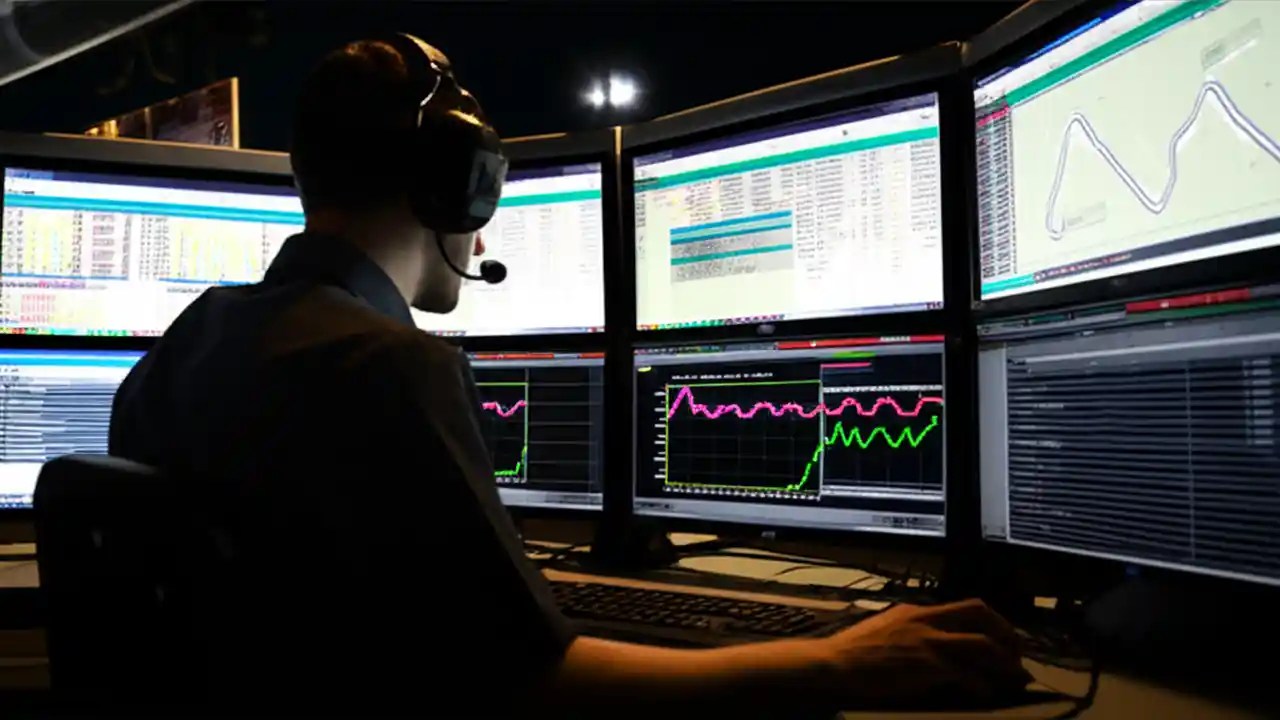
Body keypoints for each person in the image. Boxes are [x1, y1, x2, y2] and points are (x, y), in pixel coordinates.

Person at [109, 36, 1030, 716]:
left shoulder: (188, 346)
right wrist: (843, 659)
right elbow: (544, 684)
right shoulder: (386, 366)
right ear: (456, 186)